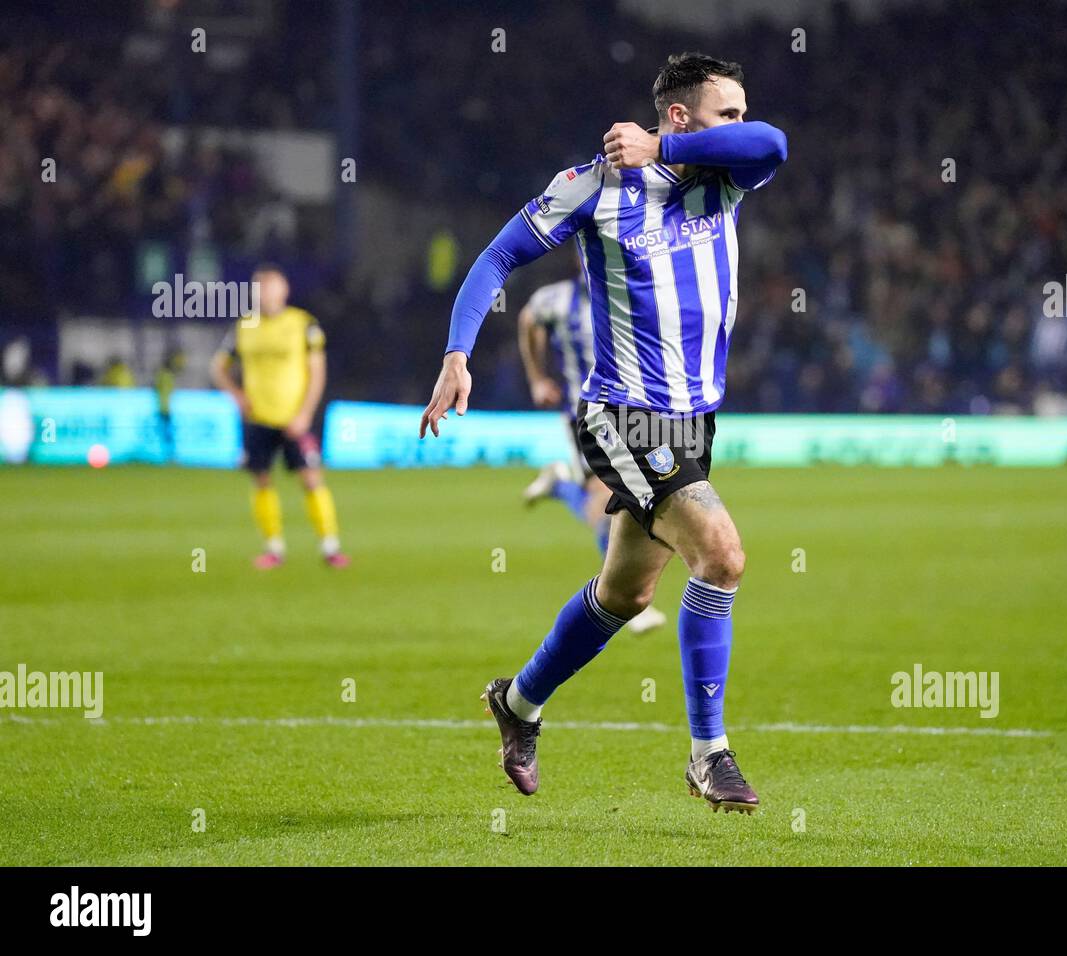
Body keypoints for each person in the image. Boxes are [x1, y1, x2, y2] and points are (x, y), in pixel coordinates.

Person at [421, 53, 786, 813]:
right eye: (727, 112)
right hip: (621, 414)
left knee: (624, 593)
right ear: (679, 112)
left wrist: (670, 149)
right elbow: (497, 257)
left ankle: (517, 702)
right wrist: (457, 354)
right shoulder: (595, 185)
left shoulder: (725, 175)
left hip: (693, 420)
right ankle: (708, 754)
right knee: (720, 557)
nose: (741, 125)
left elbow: (774, 145)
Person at [517, 261, 667, 635]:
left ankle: (559, 486)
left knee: (625, 501)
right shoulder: (558, 299)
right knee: (607, 500)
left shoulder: (631, 296)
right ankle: (627, 601)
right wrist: (537, 378)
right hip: (584, 416)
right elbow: (526, 319)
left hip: (632, 413)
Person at [210, 264, 349, 569]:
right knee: (261, 480)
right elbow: (217, 367)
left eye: (270, 287)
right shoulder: (243, 327)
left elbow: (317, 372)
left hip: (294, 418)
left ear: (284, 291)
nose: (265, 294)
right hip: (258, 417)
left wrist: (305, 414)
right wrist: (236, 395)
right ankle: (273, 548)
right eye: (259, 288)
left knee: (312, 479)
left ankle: (330, 547)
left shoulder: (303, 325)